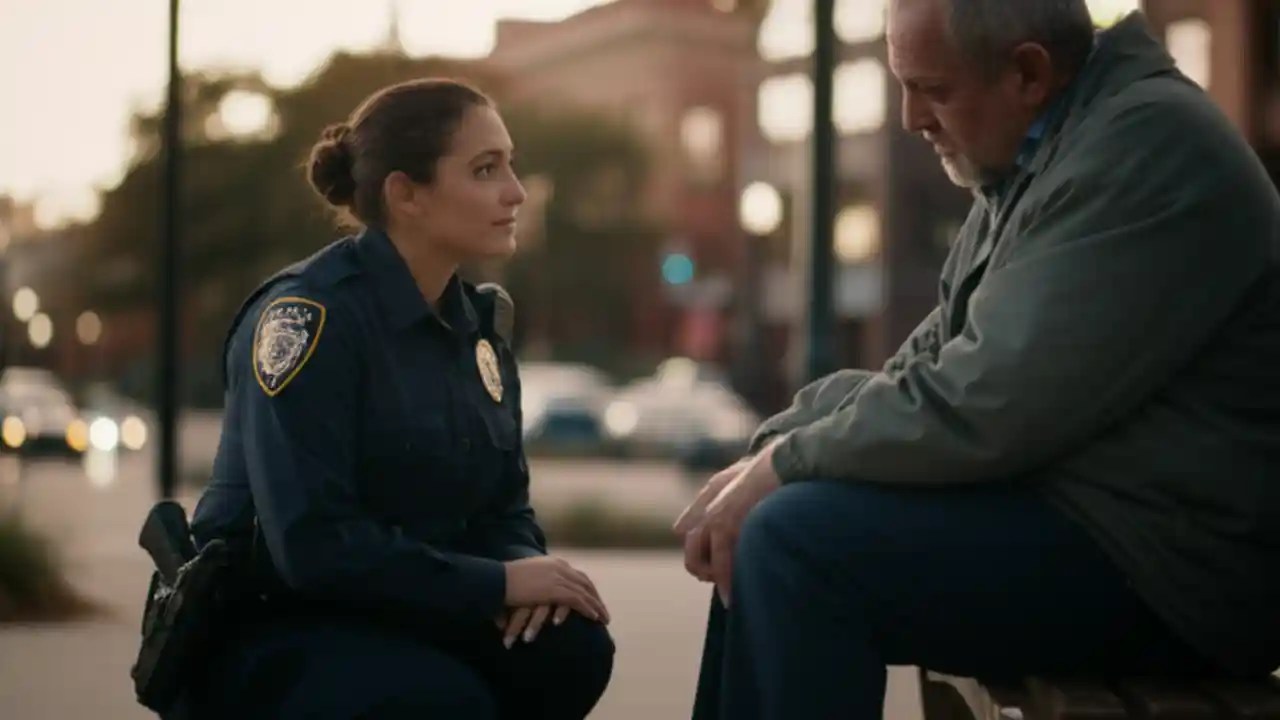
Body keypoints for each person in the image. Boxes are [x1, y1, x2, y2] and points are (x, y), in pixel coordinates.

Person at [675, 2, 1280, 718]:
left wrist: (786, 466)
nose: (910, 118)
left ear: (1027, 71)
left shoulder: (1144, 147)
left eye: (932, 88)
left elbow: (986, 405)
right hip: (1096, 524)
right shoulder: (1046, 154)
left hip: (1180, 574)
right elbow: (929, 366)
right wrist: (777, 447)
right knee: (762, 527)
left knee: (794, 543)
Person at [185, 78, 614, 719]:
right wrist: (496, 584)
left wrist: (528, 571)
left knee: (569, 647)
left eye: (510, 165)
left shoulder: (477, 329)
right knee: (440, 702)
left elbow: (504, 507)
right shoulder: (311, 319)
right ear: (405, 195)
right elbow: (313, 547)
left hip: (411, 605)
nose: (516, 191)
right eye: (485, 169)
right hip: (280, 624)